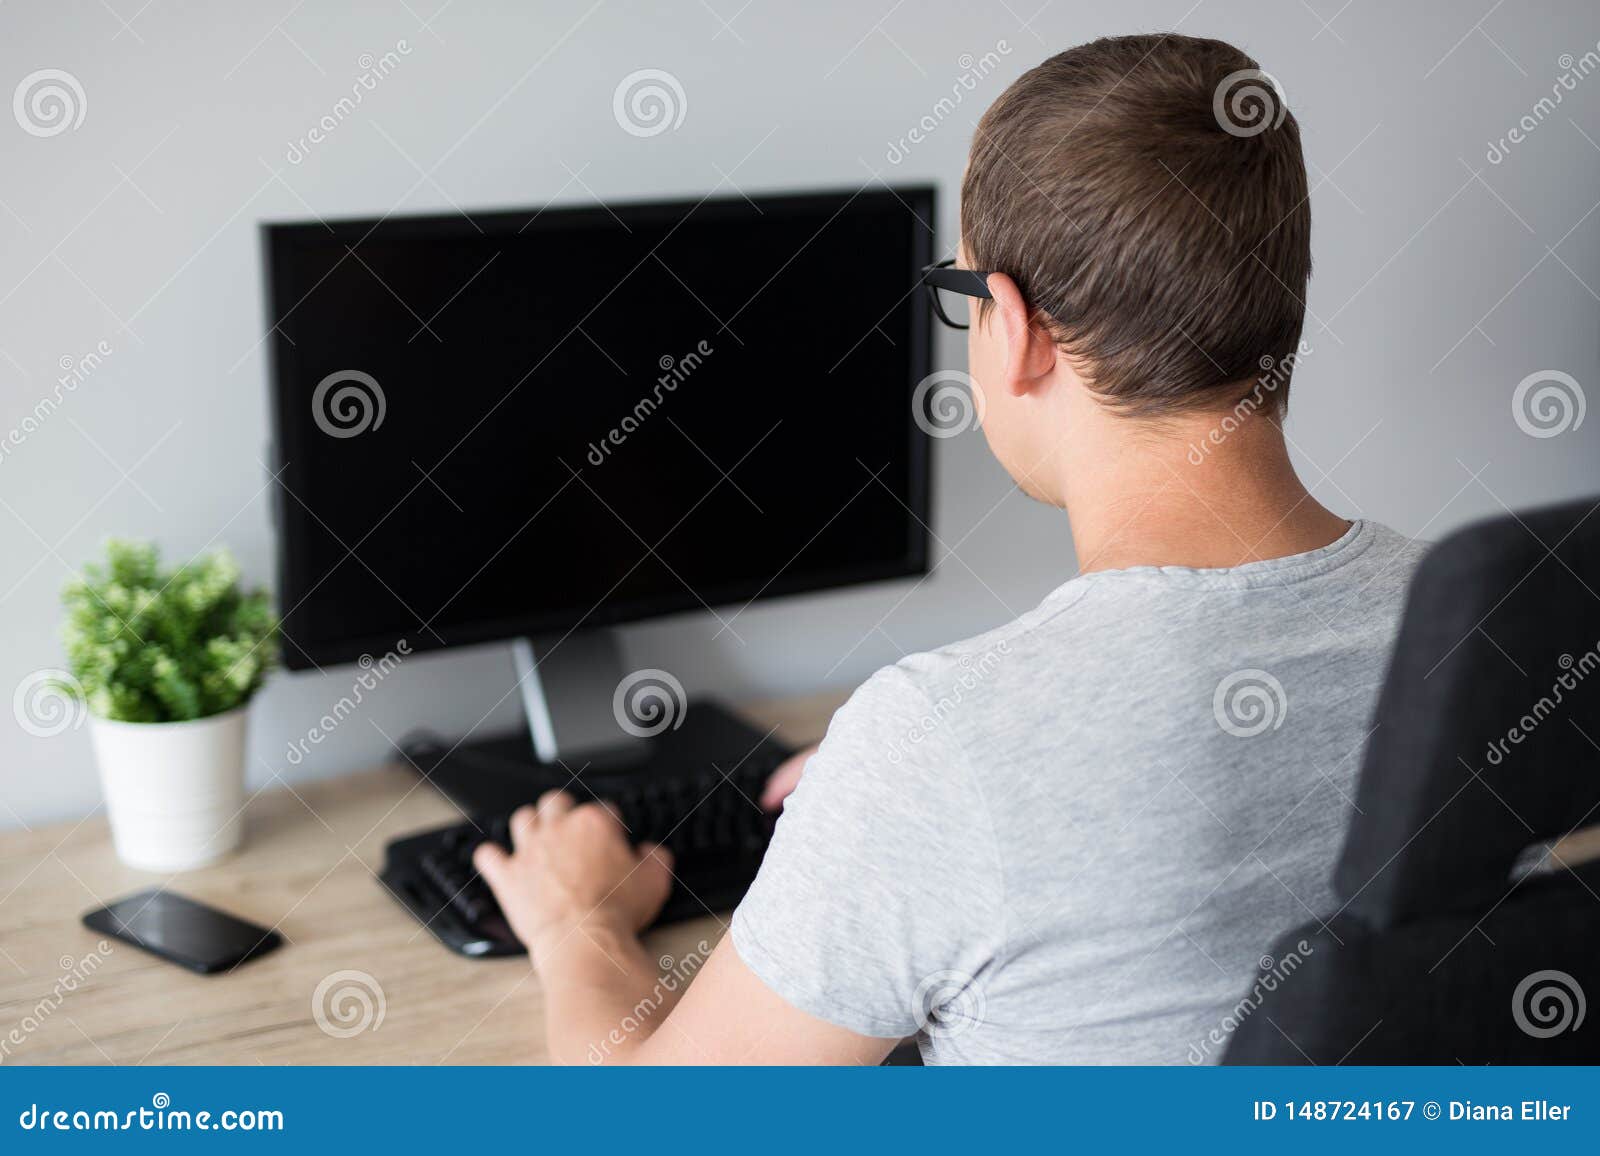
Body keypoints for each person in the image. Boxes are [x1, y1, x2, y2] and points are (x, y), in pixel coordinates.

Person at [473, 32, 1428, 1064]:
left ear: (1013, 329)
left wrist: (576, 921)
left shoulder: (940, 748)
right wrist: (904, 792)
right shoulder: (1471, 620)